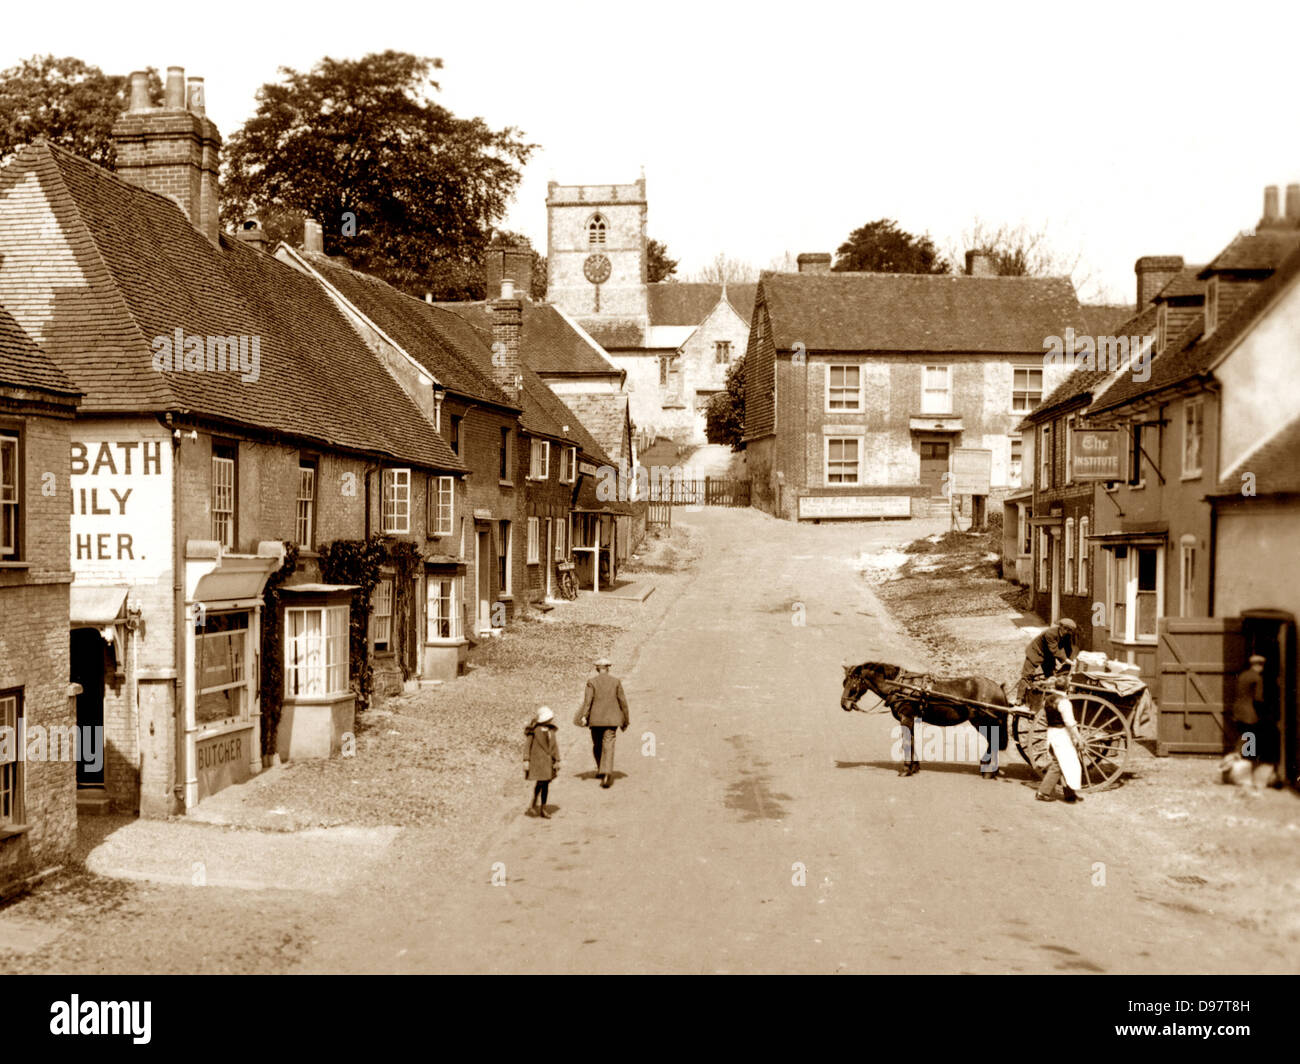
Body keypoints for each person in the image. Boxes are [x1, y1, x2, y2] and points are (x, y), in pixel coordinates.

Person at [577, 657, 629, 789]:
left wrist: (584, 716)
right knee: (609, 745)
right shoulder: (616, 681)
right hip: (612, 720)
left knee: (597, 744)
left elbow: (588, 701)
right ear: (608, 668)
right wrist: (626, 719)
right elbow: (623, 702)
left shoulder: (592, 682)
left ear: (597, 669)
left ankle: (603, 771)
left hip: (595, 720)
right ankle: (605, 772)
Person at [1035, 681, 1086, 804]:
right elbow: (1069, 722)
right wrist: (1079, 737)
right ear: (1067, 687)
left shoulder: (1047, 700)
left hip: (1052, 732)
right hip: (1062, 734)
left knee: (1068, 763)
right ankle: (1042, 792)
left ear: (1055, 687)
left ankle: (1069, 794)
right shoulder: (1064, 702)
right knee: (1059, 763)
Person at [1016, 617, 1078, 703]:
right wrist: (1067, 661)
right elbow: (1055, 650)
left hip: (1048, 655)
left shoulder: (1067, 635)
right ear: (1062, 627)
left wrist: (1072, 660)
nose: (1068, 632)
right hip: (1036, 652)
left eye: (1070, 631)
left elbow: (1068, 650)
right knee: (1027, 675)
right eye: (1067, 630)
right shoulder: (1050, 633)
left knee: (1051, 676)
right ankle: (1019, 699)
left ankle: (1045, 697)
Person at [524, 706, 560, 818]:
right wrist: (526, 760)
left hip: (548, 762)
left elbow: (554, 747)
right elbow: (527, 746)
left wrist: (557, 759)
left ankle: (542, 807)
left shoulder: (551, 731)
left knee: (545, 785)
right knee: (541, 783)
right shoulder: (533, 731)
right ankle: (534, 803)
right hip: (538, 762)